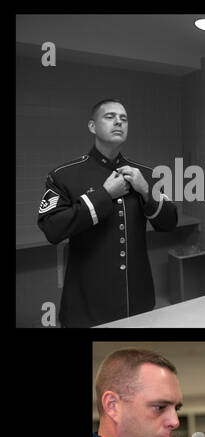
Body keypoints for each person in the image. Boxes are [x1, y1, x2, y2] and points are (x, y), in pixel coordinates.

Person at [39, 100, 179, 327]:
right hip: (86, 304)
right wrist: (104, 195)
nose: (118, 122)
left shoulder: (146, 174)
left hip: (138, 298)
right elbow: (52, 228)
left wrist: (145, 190)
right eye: (110, 117)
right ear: (92, 126)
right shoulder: (64, 175)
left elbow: (170, 222)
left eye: (124, 119)